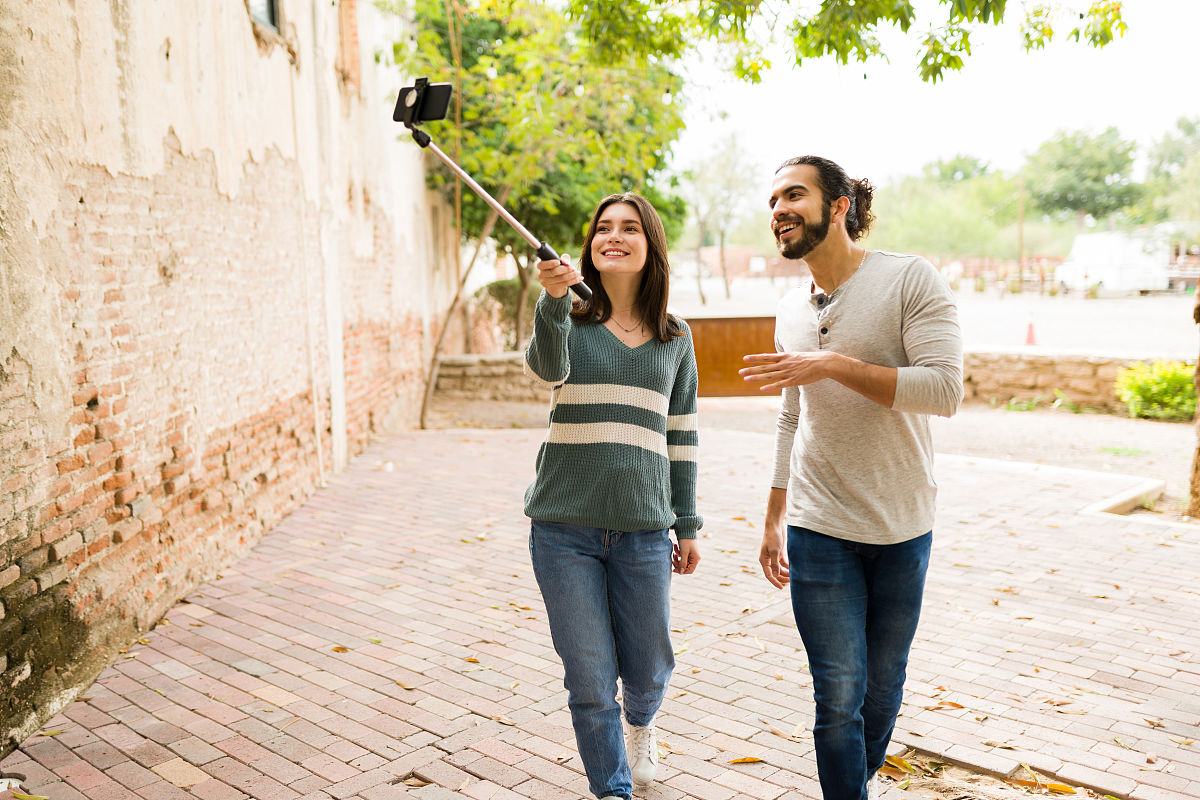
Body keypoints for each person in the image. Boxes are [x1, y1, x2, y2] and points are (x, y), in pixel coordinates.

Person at [739, 156, 963, 800]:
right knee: (838, 694)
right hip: (819, 525)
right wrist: (774, 517)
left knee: (882, 686)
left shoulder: (909, 279)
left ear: (839, 206)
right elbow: (792, 415)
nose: (779, 209)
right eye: (773, 199)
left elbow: (944, 390)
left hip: (901, 522)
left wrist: (834, 364)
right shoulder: (789, 308)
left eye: (795, 195)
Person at [523, 192, 702, 800]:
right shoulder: (567, 318)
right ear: (589, 246)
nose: (614, 237)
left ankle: (642, 722)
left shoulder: (675, 337)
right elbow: (546, 370)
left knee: (649, 666)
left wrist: (688, 524)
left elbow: (681, 435)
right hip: (562, 528)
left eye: (629, 228)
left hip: (644, 529)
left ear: (651, 245)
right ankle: (612, 788)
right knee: (590, 678)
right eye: (603, 228)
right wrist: (552, 301)